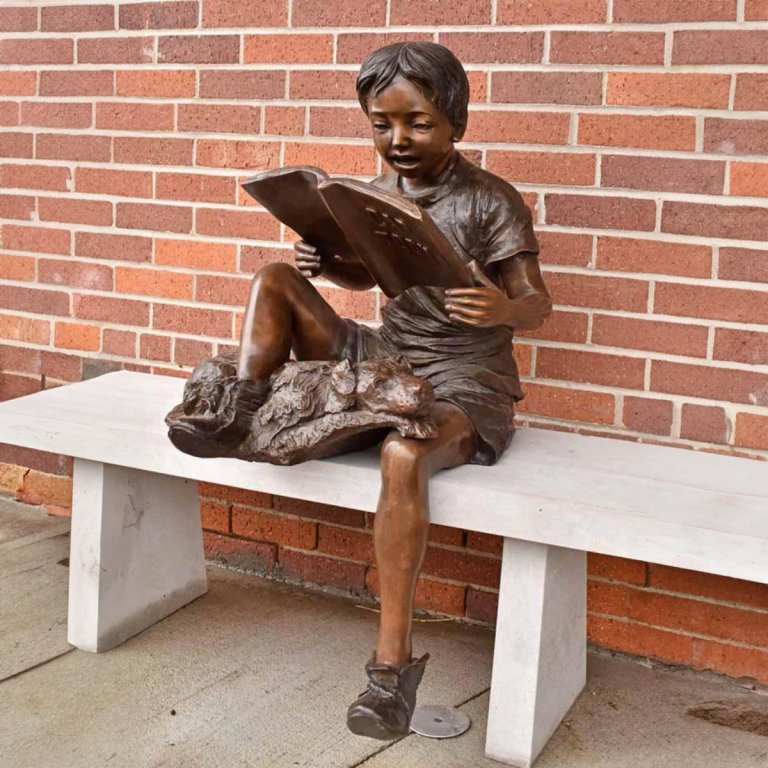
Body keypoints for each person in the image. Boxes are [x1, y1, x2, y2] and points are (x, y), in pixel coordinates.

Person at [179, 41, 552, 740]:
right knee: (274, 279)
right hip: (388, 357)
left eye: (417, 123)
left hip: (465, 381)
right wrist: (327, 262)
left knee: (404, 456)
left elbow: (537, 301)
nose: (398, 139)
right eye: (382, 124)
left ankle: (391, 671)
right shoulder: (375, 194)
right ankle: (245, 410)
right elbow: (370, 274)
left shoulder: (489, 199)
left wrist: (504, 309)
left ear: (456, 122)